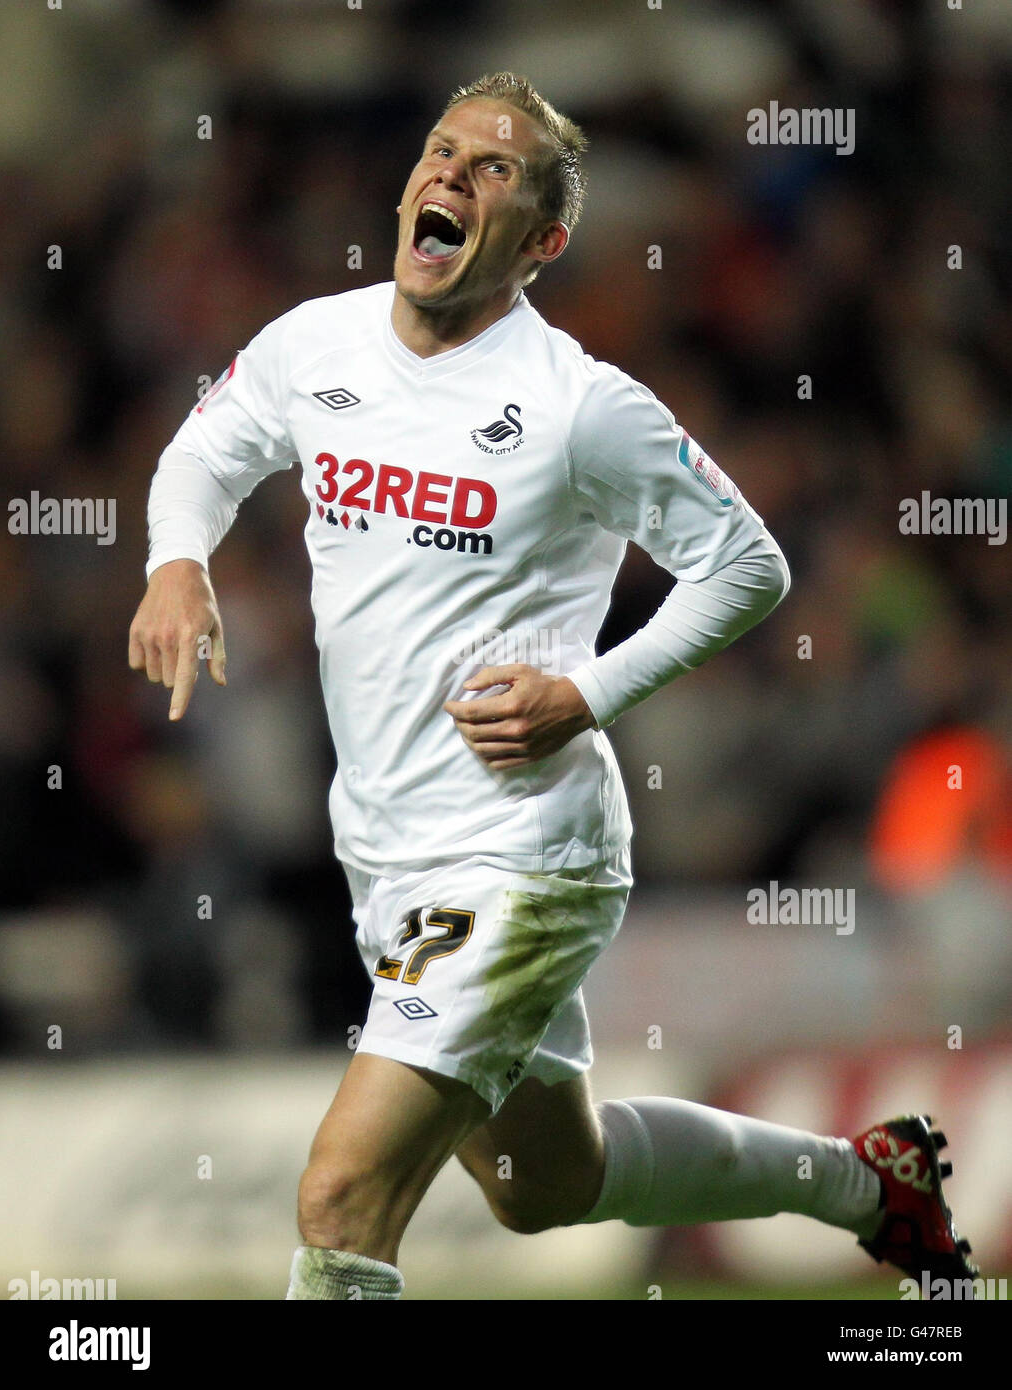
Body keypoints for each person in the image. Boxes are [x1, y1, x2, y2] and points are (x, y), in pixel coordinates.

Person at [128, 72, 976, 1300]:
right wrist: (174, 563)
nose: (449, 177)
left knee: (341, 1192)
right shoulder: (313, 345)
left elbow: (747, 565)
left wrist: (588, 694)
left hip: (522, 851)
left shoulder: (581, 408)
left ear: (541, 240)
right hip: (387, 850)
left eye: (494, 171)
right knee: (546, 1187)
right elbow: (205, 454)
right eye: (440, 151)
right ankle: (871, 1186)